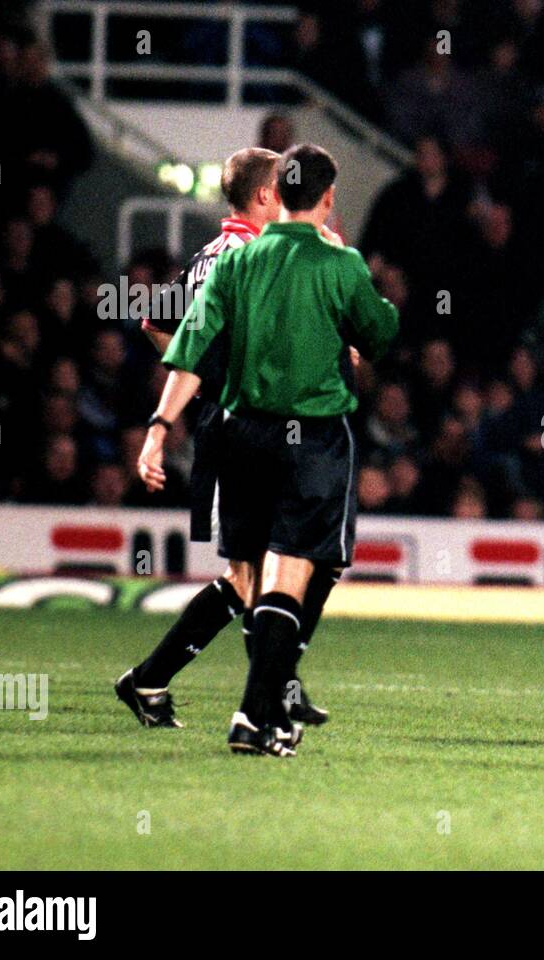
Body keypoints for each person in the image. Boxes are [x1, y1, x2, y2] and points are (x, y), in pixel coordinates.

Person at [137, 144, 399, 756]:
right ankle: (258, 708)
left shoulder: (237, 258)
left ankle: (264, 702)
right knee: (276, 579)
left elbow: (182, 344)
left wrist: (159, 425)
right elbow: (380, 331)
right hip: (306, 437)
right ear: (327, 198)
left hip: (240, 431)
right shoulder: (333, 260)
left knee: (263, 578)